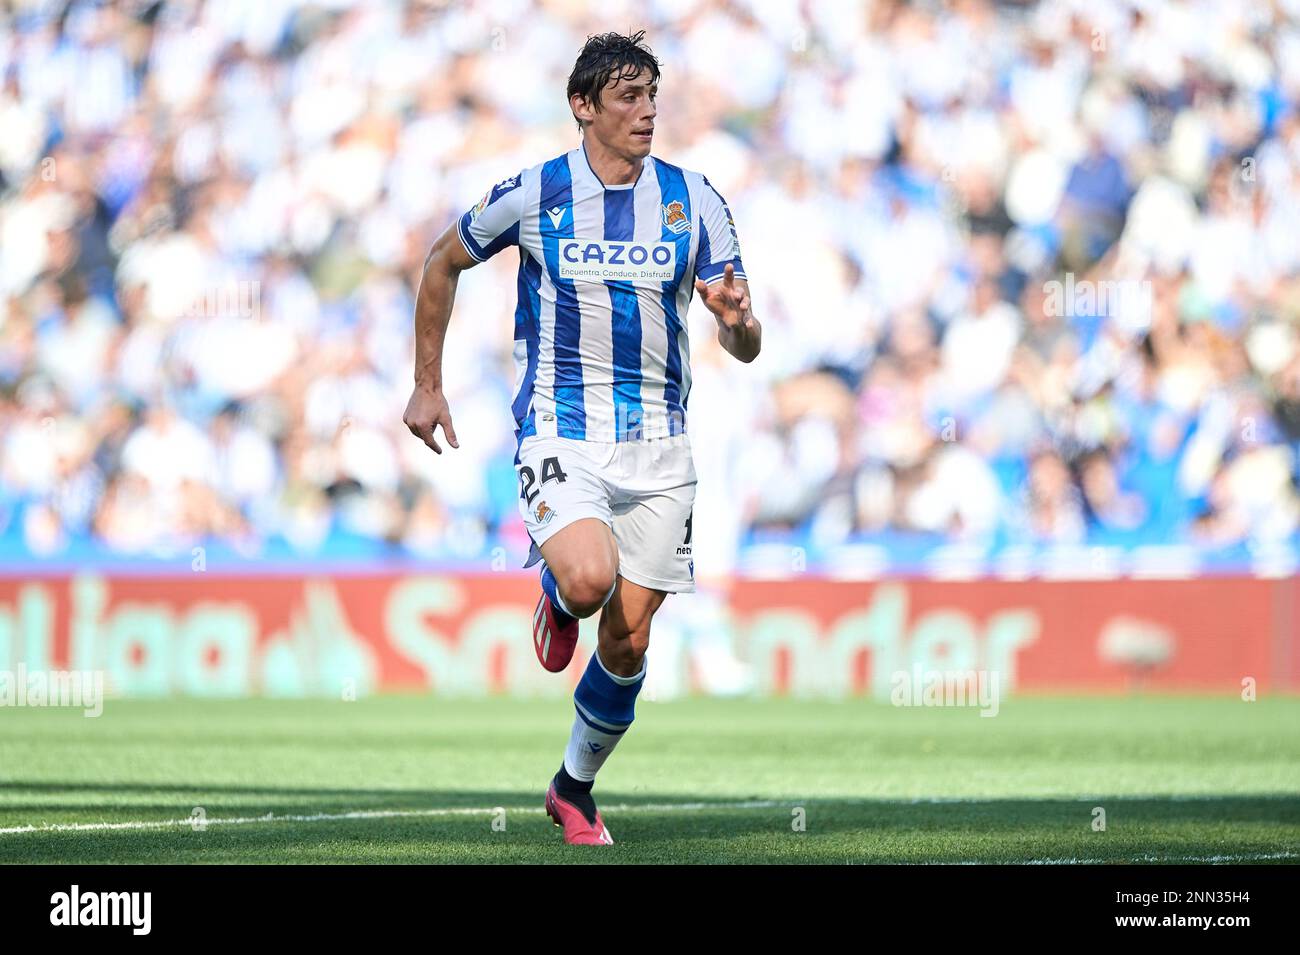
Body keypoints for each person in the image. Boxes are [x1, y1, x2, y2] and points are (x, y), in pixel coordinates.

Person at [403, 30, 761, 845]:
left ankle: (573, 786)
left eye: (651, 99)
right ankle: (560, 594)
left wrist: (740, 325)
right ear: (583, 107)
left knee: (630, 641)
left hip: (662, 444)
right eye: (627, 98)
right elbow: (441, 261)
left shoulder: (696, 199)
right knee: (593, 579)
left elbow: (744, 338)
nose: (645, 113)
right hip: (562, 428)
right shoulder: (536, 193)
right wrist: (428, 383)